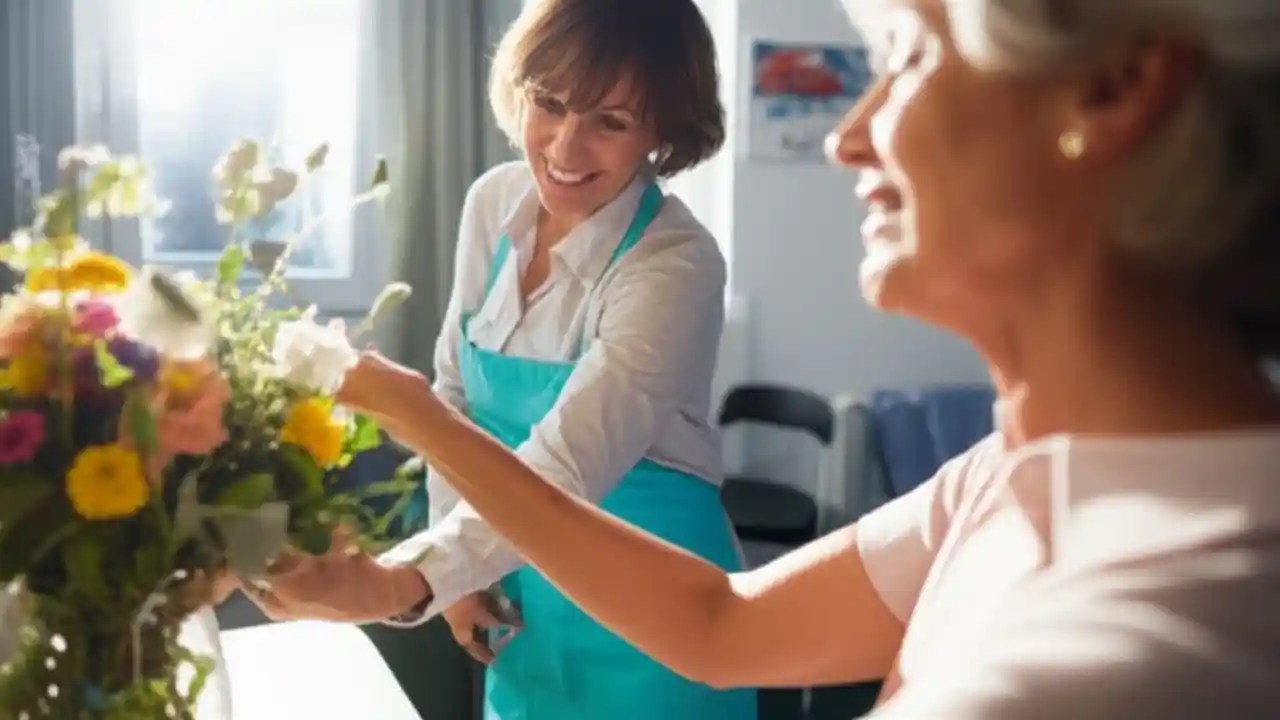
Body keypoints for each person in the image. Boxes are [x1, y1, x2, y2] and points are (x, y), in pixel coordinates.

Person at [287, 0, 1280, 716]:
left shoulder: (1138, 652)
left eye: (909, 59)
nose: (848, 137)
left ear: (1111, 92)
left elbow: (583, 481)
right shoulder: (1000, 478)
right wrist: (421, 549)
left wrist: (404, 521)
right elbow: (720, 625)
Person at [246, 0, 758, 718]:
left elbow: (567, 467)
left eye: (610, 121)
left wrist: (406, 580)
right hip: (516, 590)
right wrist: (456, 579)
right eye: (549, 103)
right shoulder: (494, 203)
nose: (565, 149)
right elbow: (458, 400)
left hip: (655, 615)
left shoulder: (674, 264)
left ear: (662, 129)